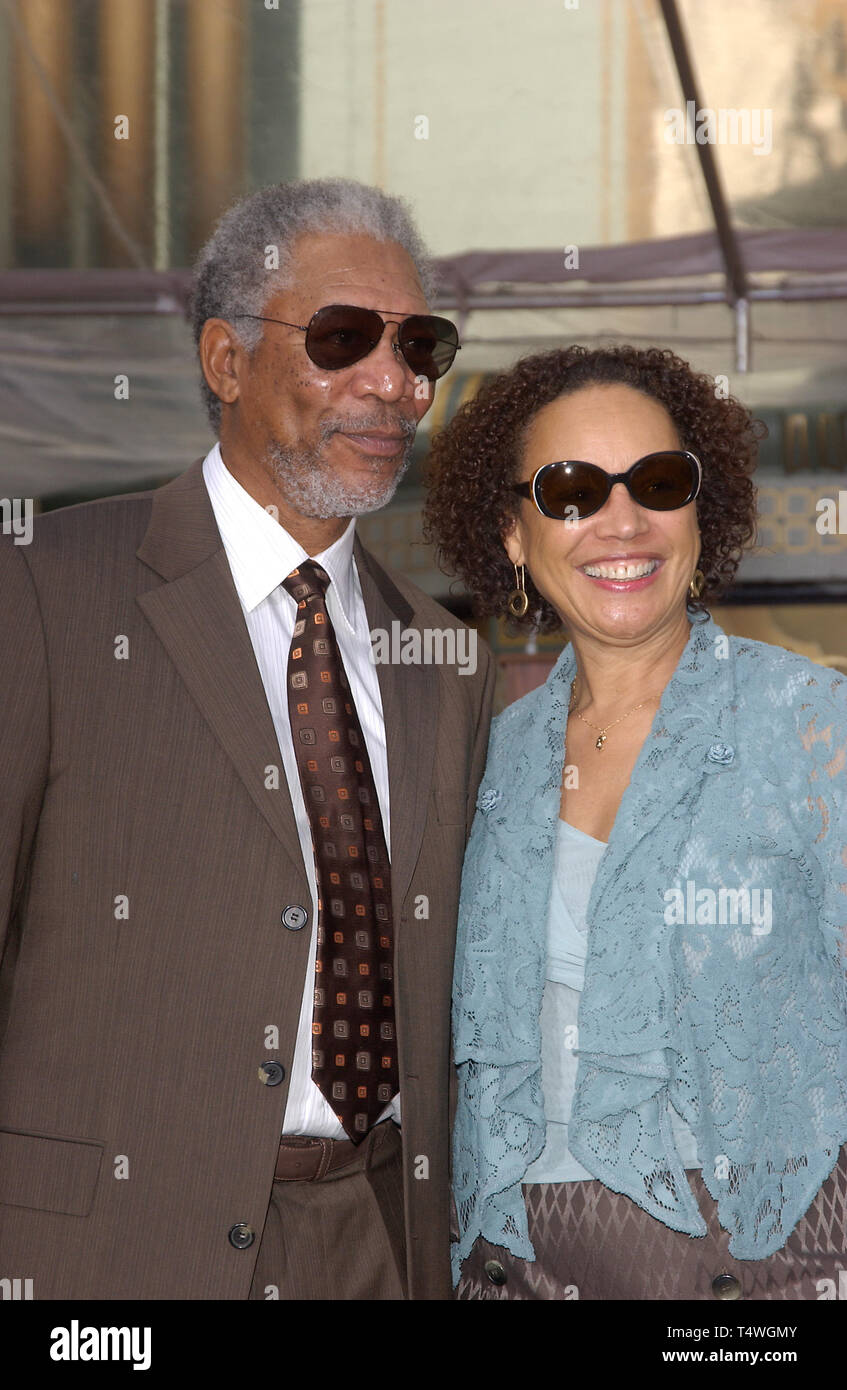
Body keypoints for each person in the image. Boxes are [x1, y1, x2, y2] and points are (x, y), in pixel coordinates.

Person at [0, 178, 495, 1301]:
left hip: (382, 1242)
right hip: (110, 1258)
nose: (393, 382)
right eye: (342, 337)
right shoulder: (41, 592)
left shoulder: (445, 662)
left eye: (420, 344)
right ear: (225, 363)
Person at [423, 344, 847, 1300]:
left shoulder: (814, 729)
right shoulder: (481, 759)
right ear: (511, 534)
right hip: (509, 1270)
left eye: (658, 481)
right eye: (571, 489)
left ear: (702, 512)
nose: (622, 520)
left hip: (760, 1276)